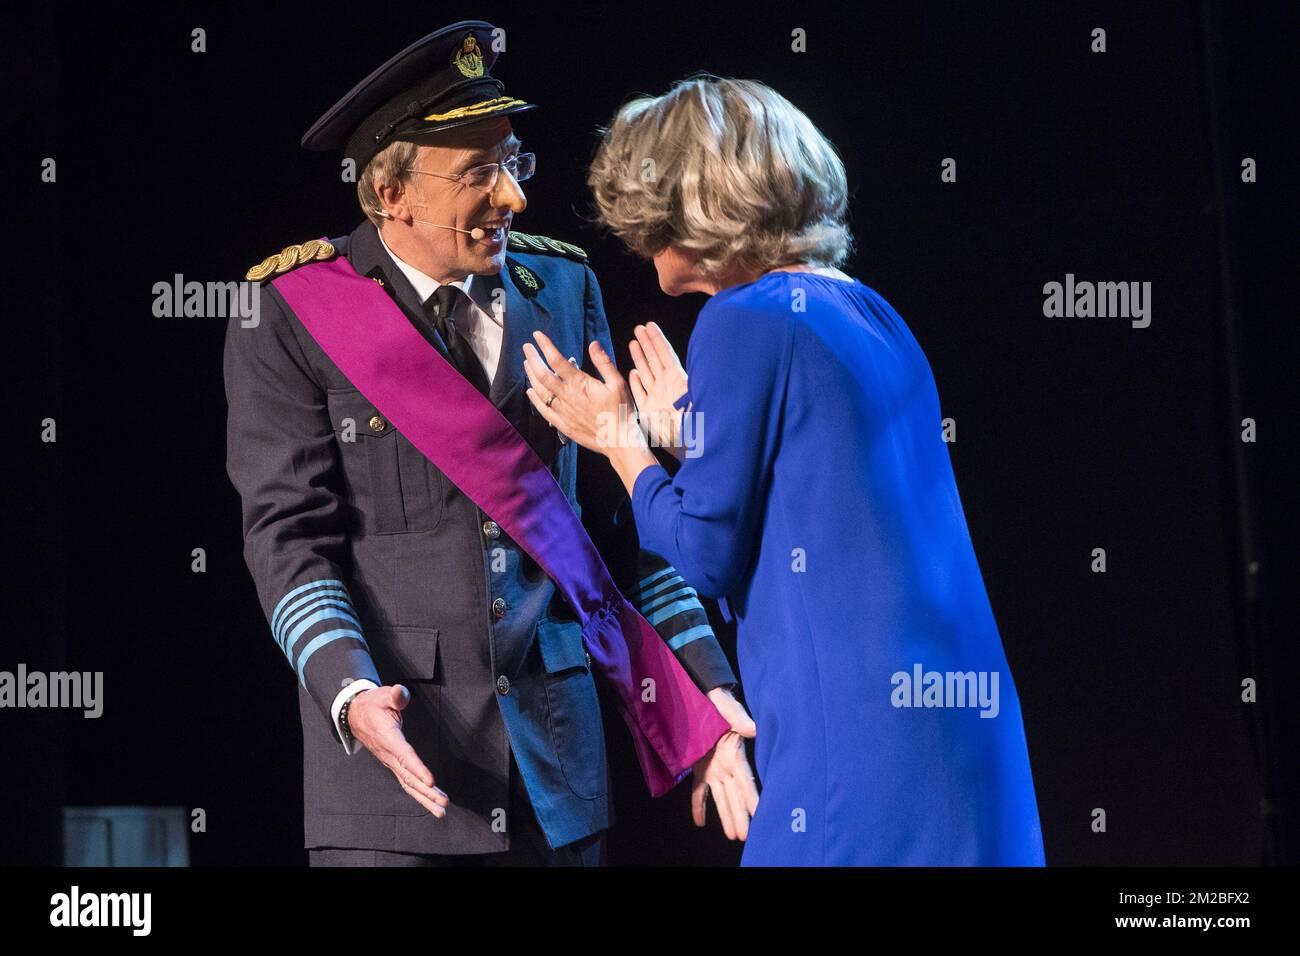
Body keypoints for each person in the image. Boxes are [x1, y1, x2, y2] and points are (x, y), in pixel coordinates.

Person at [224, 24, 758, 868]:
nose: (513, 197)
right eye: (479, 172)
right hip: (395, 781)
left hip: (559, 777)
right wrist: (349, 689)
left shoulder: (567, 285)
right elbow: (288, 540)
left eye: (514, 162)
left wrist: (704, 689)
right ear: (391, 194)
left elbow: (616, 529)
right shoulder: (290, 310)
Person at [523, 76, 1047, 865]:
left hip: (854, 737)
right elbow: (824, 488)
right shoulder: (868, 310)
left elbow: (704, 554)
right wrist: (693, 440)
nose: (634, 236)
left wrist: (620, 440)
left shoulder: (743, 319)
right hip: (958, 725)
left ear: (690, 208)